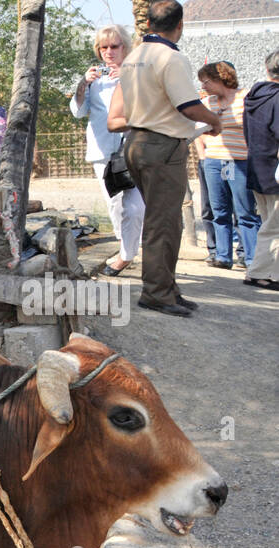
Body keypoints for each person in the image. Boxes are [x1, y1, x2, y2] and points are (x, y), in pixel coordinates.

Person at [116, 0, 222, 315]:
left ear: (148, 24)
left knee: (165, 221)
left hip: (137, 141)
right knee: (163, 222)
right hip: (162, 146)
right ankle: (157, 293)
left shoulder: (134, 57)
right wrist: (214, 121)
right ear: (180, 25)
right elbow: (187, 105)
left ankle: (167, 288)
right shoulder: (171, 57)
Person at [72, 24, 145, 276]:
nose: (109, 52)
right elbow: (79, 111)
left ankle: (126, 254)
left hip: (134, 149)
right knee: (114, 205)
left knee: (135, 207)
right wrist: (83, 83)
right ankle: (126, 248)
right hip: (103, 150)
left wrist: (125, 77)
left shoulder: (137, 71)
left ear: (125, 46)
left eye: (115, 46)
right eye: (104, 47)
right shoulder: (95, 78)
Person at [196, 62, 262, 271]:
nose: (203, 86)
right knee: (219, 210)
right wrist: (204, 154)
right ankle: (223, 256)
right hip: (214, 160)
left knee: (245, 211)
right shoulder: (207, 103)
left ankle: (251, 257)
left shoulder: (247, 98)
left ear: (220, 78)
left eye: (206, 81)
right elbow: (198, 128)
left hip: (240, 160)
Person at [242, 48, 279, 291]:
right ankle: (257, 273)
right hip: (274, 168)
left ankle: (271, 273)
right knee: (272, 226)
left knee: (270, 222)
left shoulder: (252, 96)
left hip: (257, 166)